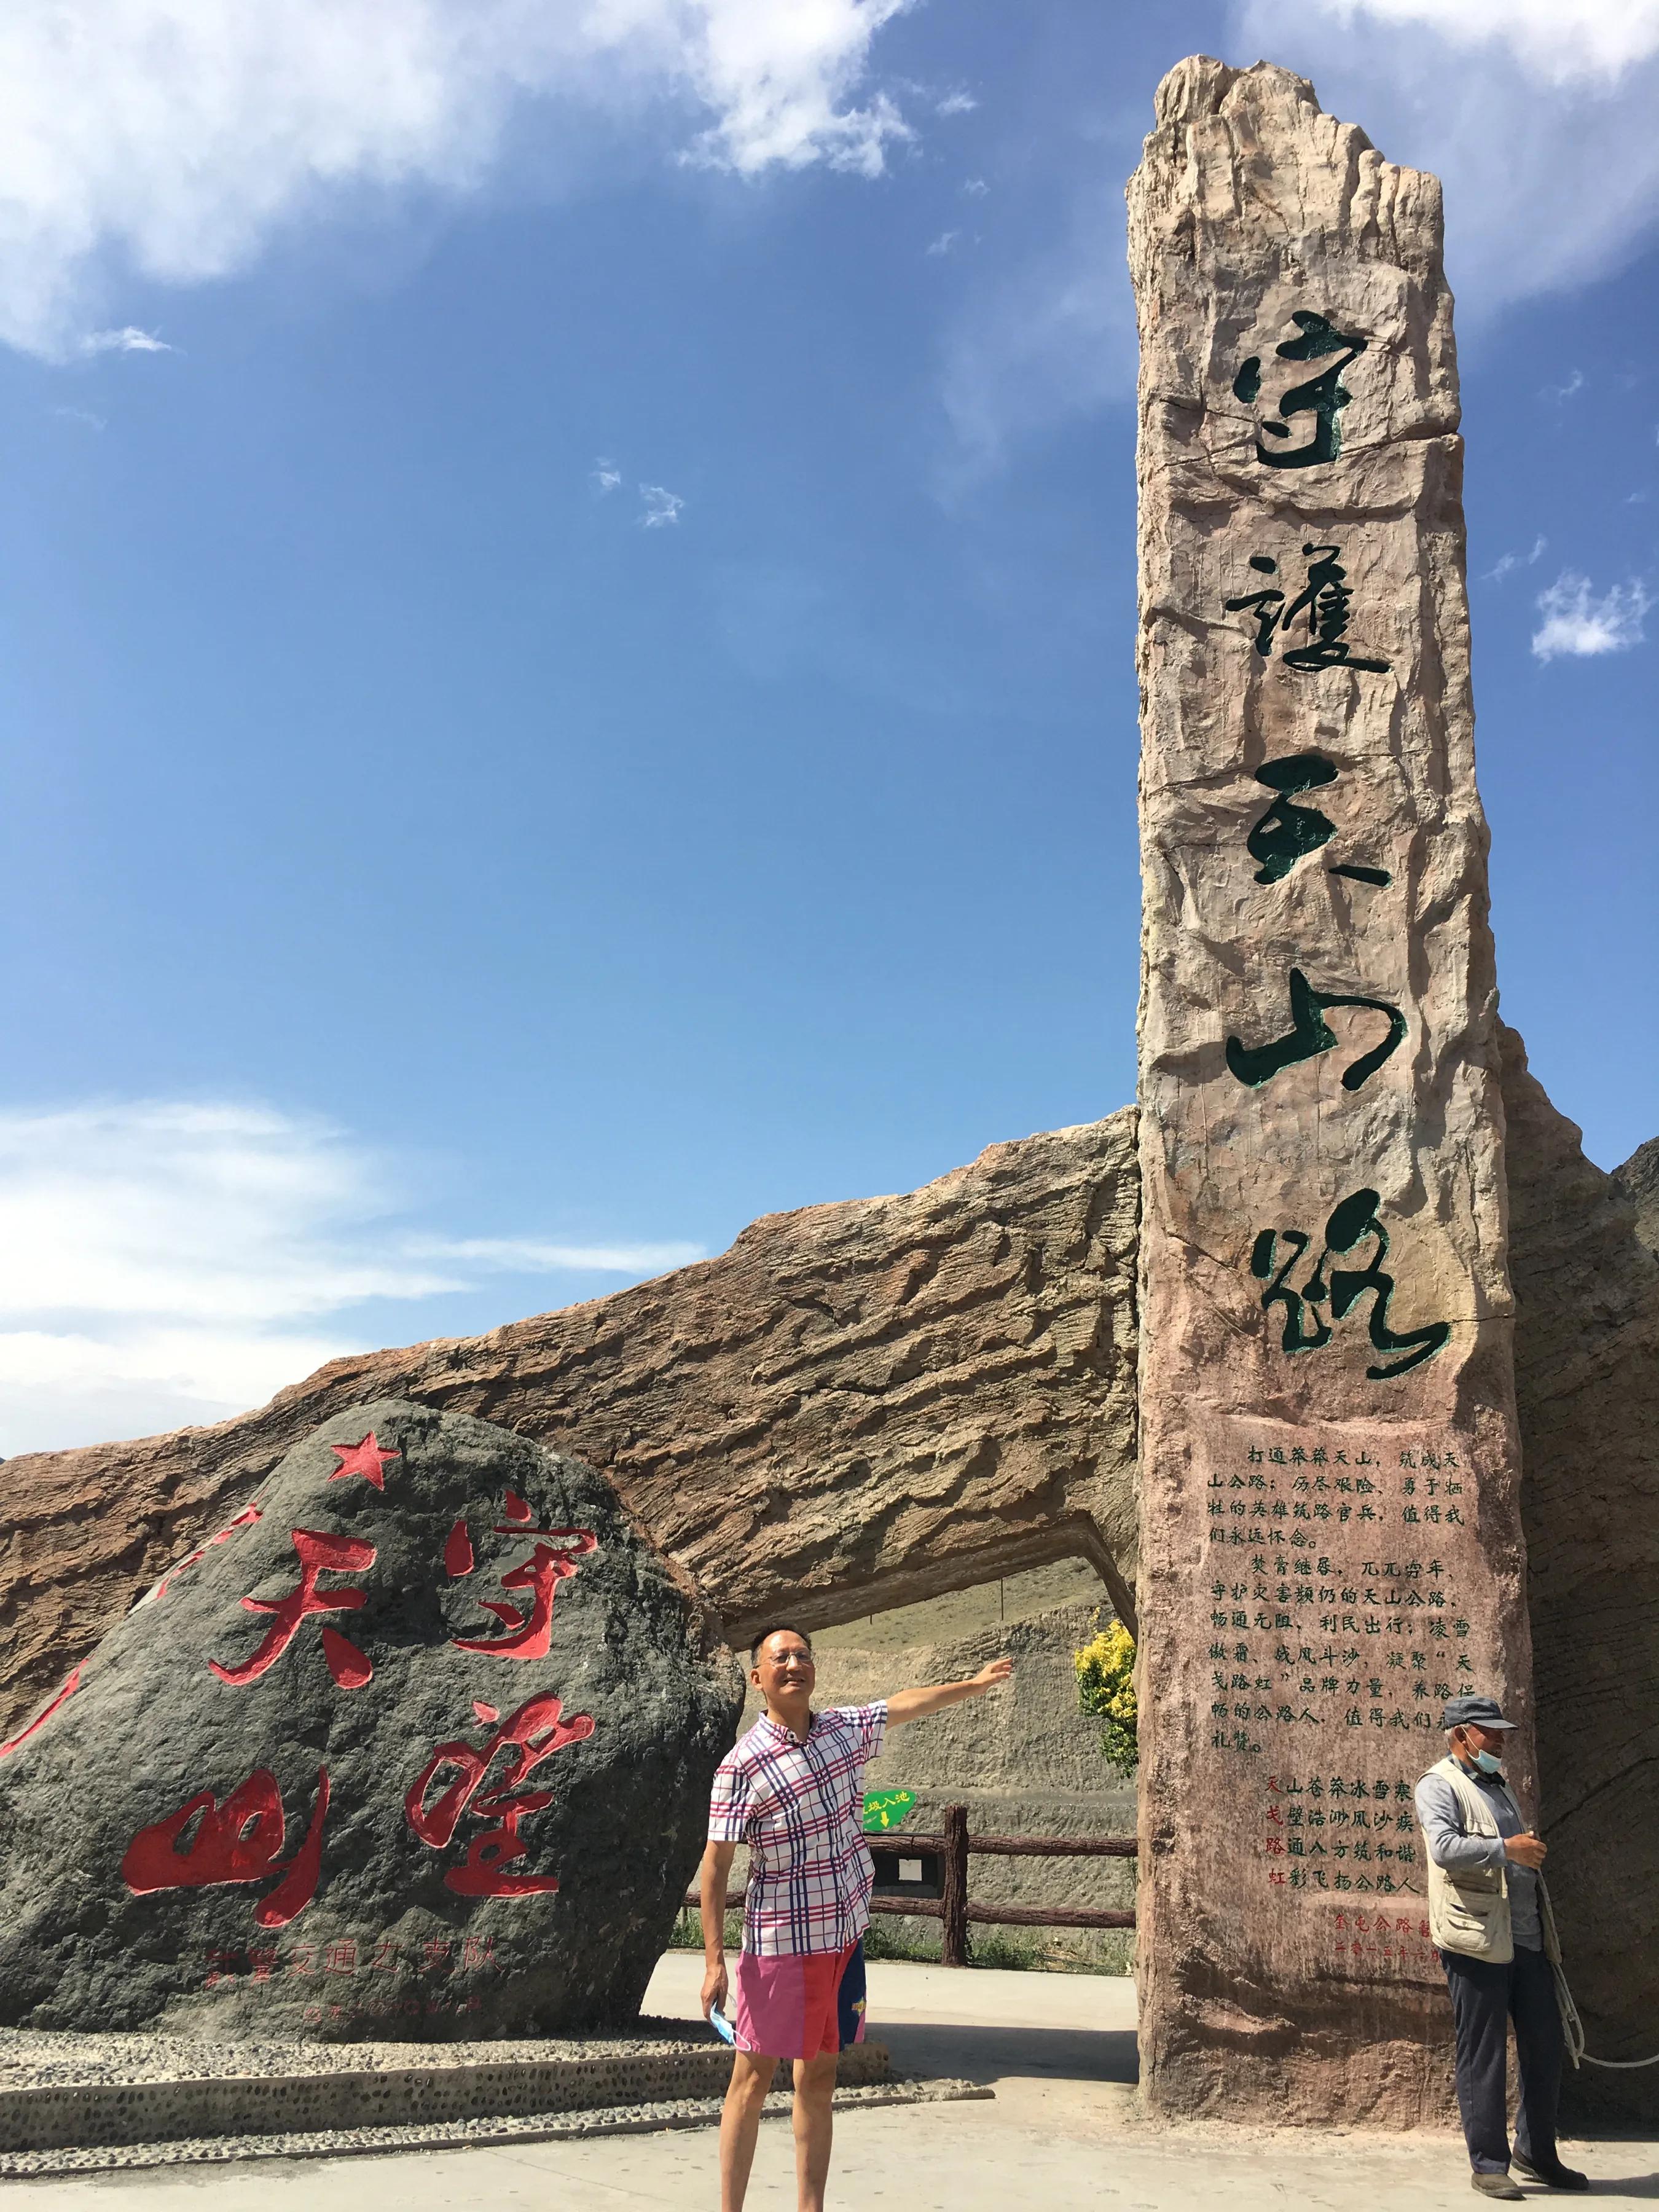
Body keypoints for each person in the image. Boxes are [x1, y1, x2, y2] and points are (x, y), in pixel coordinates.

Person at [699, 1625, 1013, 2212]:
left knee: (819, 2078)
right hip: (782, 1947)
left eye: (802, 1655)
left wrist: (972, 1686)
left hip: (843, 1939)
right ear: (757, 1678)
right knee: (752, 2080)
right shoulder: (741, 1765)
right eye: (780, 1658)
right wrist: (715, 1962)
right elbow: (714, 1869)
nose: (794, 1664)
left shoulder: (843, 1731)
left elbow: (906, 1704)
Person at [1415, 1693, 1588, 2199]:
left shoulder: (1499, 1785)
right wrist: (1507, 1849)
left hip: (1526, 1939)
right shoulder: (1437, 1784)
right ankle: (1489, 2163)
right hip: (1476, 1939)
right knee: (1484, 2052)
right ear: (1461, 1735)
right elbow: (1444, 1848)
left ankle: (1536, 2151)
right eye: (1489, 1732)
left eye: (1501, 1732)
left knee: (1546, 2045)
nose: (1500, 1740)